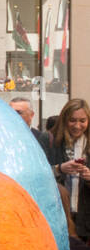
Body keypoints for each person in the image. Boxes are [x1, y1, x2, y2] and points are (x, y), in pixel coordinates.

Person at [42, 98, 90, 241]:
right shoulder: (49, 140)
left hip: (85, 219)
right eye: (72, 120)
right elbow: (37, 176)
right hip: (58, 217)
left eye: (82, 121)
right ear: (64, 120)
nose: (77, 126)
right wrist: (59, 169)